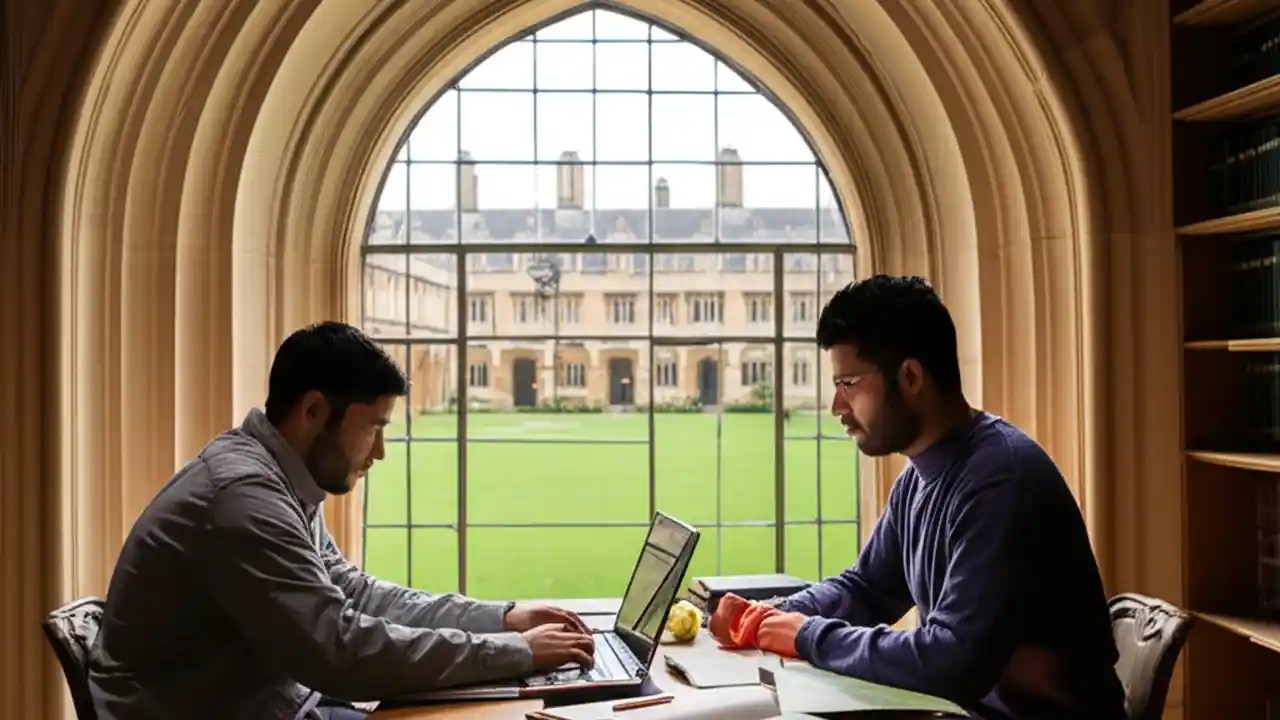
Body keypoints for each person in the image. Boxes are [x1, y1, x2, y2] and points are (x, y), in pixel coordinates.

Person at [88, 322, 596, 719]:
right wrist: (514, 653)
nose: (379, 452)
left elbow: (355, 594)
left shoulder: (275, 478)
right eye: (373, 427)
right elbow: (340, 652)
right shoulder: (243, 500)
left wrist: (502, 619)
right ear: (313, 410)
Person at [708, 275, 1125, 720]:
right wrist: (772, 615)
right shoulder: (920, 476)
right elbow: (869, 587)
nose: (836, 406)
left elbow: (951, 660)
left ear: (909, 377)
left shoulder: (1001, 481)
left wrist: (806, 634)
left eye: (848, 383)